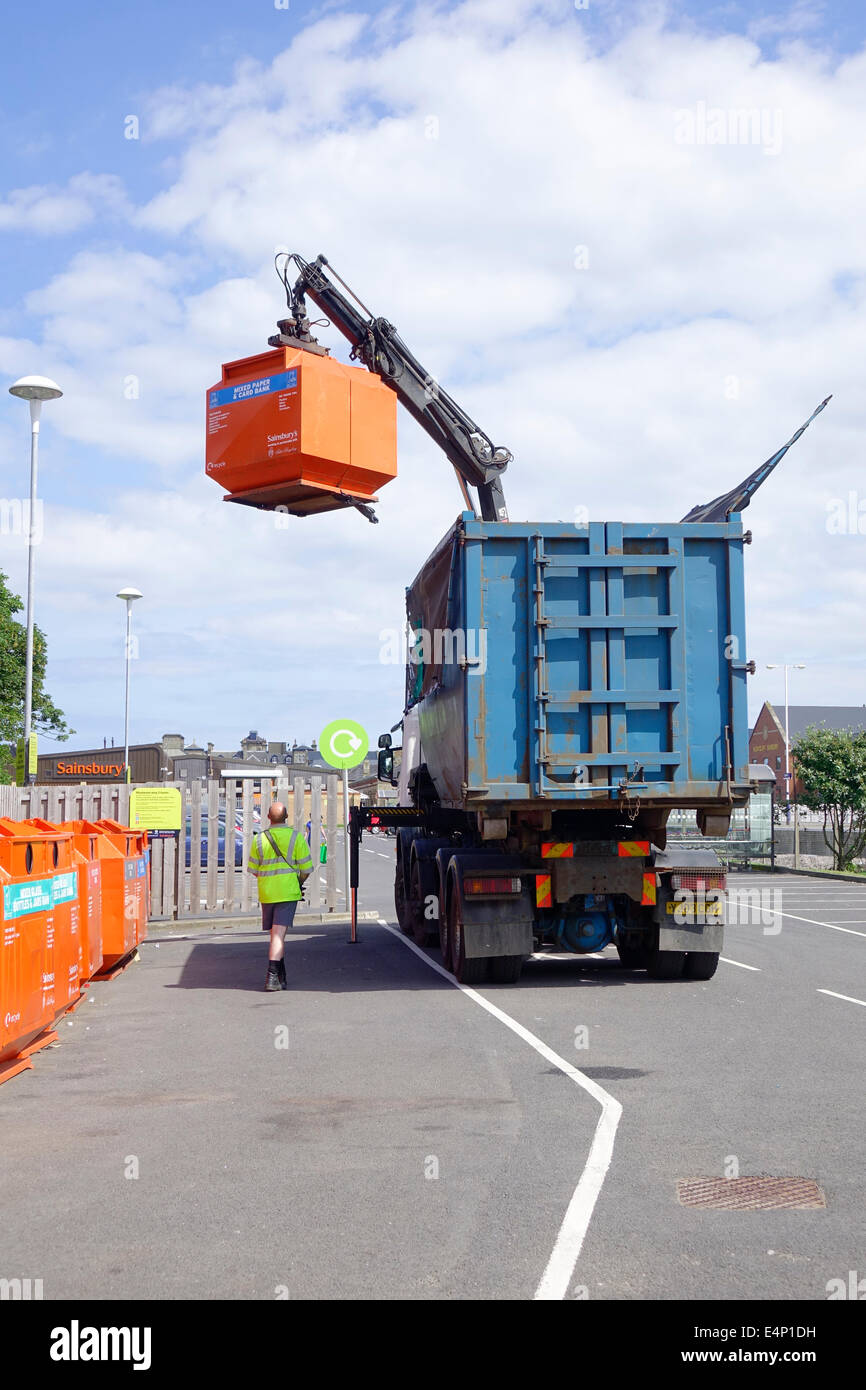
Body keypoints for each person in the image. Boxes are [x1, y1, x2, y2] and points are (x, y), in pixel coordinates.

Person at [247, 802, 313, 991]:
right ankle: (272, 977)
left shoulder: (259, 839)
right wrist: (298, 882)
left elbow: (253, 869)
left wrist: (268, 879)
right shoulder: (296, 837)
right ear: (286, 817)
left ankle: (281, 975)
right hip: (287, 891)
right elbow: (307, 868)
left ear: (268, 817)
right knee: (278, 935)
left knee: (275, 935)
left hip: (267, 892)